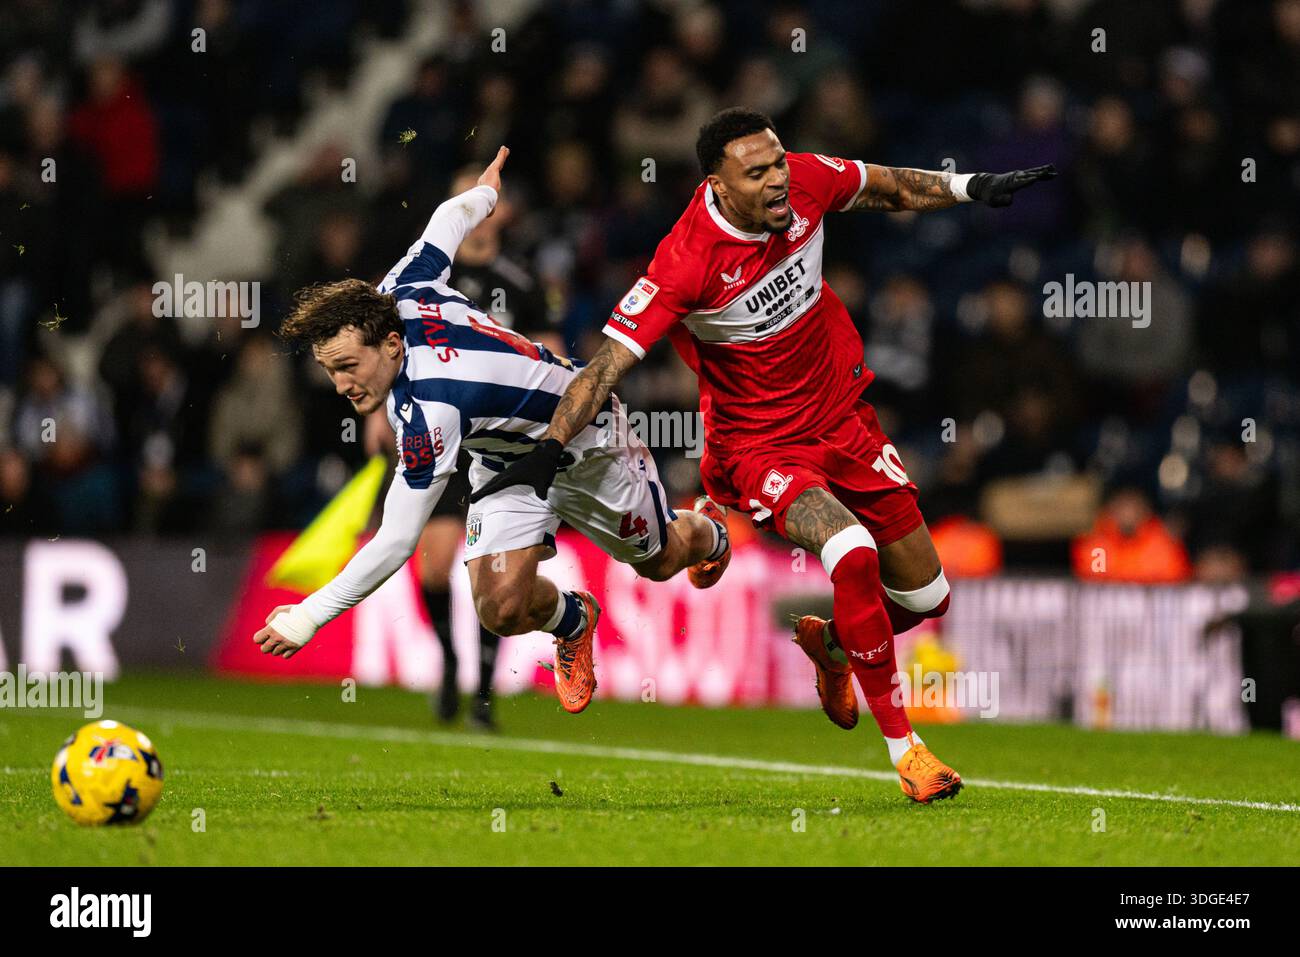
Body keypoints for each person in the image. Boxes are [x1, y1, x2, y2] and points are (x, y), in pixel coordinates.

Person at [471, 109, 1055, 803]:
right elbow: (605, 366)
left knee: (926, 594)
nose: (779, 179)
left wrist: (971, 186)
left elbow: (890, 187)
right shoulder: (684, 262)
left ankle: (835, 644)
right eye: (758, 172)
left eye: (778, 161)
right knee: (851, 551)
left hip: (844, 418)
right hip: (759, 446)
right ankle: (909, 752)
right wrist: (549, 449)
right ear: (717, 183)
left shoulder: (804, 182)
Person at [252, 147, 731, 717]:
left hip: (585, 439)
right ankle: (575, 620)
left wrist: (309, 616)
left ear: (390, 345)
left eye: (347, 368)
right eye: (331, 370)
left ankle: (709, 532)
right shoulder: (400, 288)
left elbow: (396, 540)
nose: (340, 385)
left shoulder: (435, 405)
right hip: (505, 459)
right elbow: (446, 222)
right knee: (500, 610)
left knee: (659, 562)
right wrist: (482, 195)